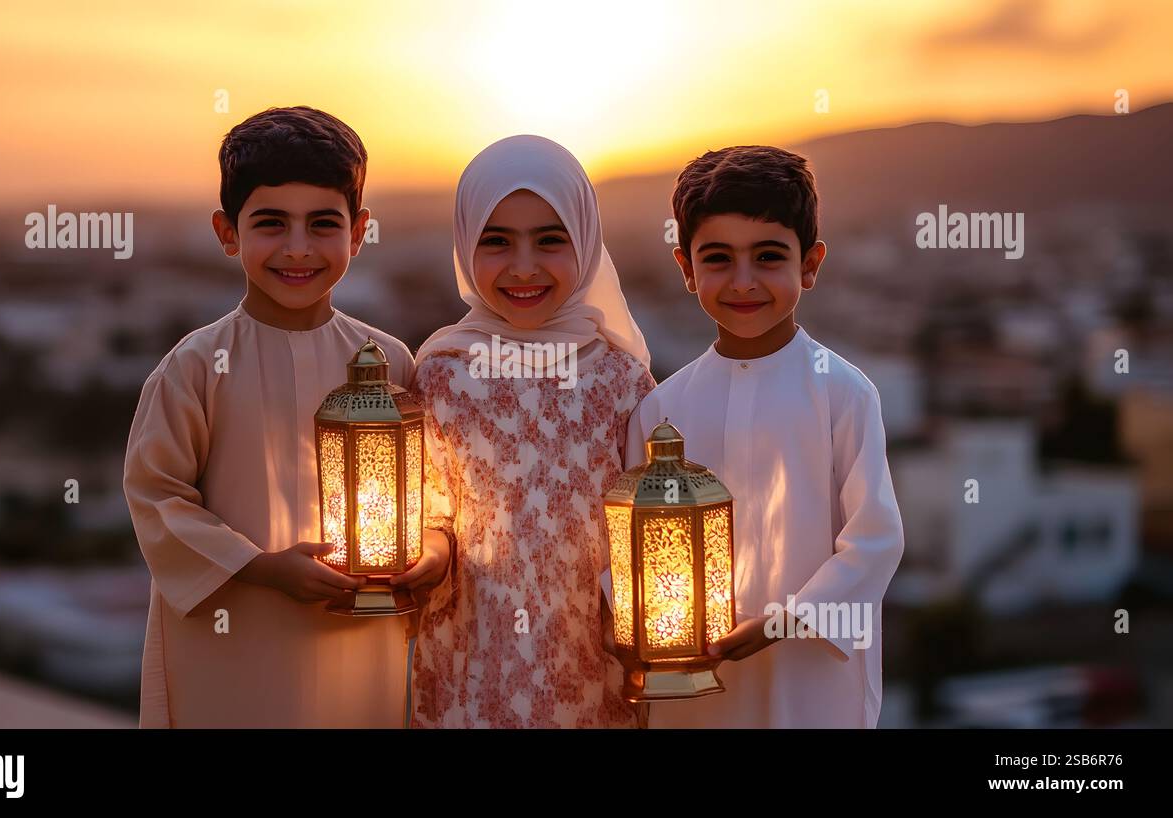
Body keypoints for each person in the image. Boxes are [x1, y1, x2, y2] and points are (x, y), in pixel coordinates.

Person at [123, 106, 448, 727]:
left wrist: (430, 550)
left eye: (322, 224)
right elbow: (156, 496)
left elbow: (434, 497)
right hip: (233, 636)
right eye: (272, 224)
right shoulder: (195, 366)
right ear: (228, 232)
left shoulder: (392, 363)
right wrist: (263, 568)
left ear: (358, 232)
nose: (298, 248)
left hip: (363, 633)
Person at [628, 145, 905, 728]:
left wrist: (785, 621)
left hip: (810, 682)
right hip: (691, 690)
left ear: (811, 263)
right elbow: (628, 544)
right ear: (686, 268)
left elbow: (875, 541)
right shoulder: (661, 408)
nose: (744, 281)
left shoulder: (844, 394)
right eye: (719, 258)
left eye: (769, 257)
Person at [404, 135, 654, 727]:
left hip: (594, 664)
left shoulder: (621, 379)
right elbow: (434, 514)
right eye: (496, 241)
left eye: (549, 240)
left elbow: (646, 531)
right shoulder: (442, 373)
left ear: (586, 242)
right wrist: (427, 556)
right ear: (466, 245)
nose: (523, 267)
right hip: (473, 655)